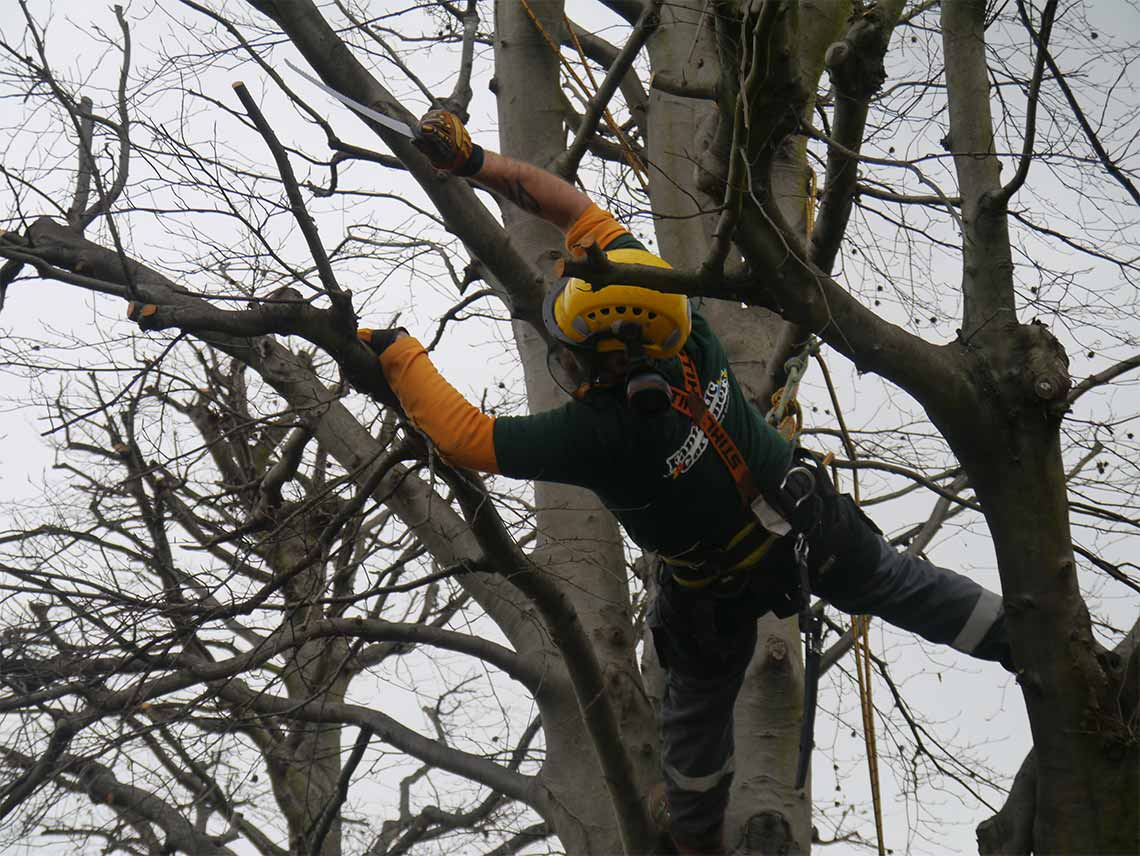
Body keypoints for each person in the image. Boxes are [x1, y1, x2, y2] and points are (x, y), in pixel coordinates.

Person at [353, 111, 1011, 856]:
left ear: (595, 364)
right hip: (804, 526)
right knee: (902, 583)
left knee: (695, 733)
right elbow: (566, 204)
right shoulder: (679, 320)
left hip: (711, 596)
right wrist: (475, 163)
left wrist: (400, 352)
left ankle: (695, 842)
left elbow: (466, 437)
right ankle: (1027, 638)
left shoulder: (603, 433)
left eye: (569, 358)